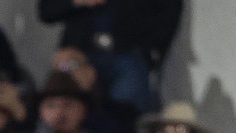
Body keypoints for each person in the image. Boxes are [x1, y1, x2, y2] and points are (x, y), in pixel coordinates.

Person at [35, 0, 181, 117]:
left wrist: (150, 52)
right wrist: (75, 2)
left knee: (126, 116)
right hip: (78, 56)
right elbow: (46, 11)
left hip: (128, 54)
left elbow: (170, 9)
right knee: (67, 106)